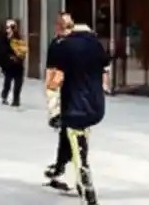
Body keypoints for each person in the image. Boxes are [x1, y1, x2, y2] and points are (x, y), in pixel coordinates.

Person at [46, 13, 109, 204]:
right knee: (77, 139)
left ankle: (86, 185)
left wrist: (53, 110)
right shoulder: (95, 44)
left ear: (62, 27)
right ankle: (65, 170)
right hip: (96, 107)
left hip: (74, 107)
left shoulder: (62, 47)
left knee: (77, 143)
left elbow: (54, 82)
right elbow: (105, 72)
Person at [43, 12, 74, 185]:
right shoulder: (78, 43)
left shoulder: (59, 45)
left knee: (68, 136)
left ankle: (64, 167)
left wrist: (53, 109)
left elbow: (52, 80)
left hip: (69, 97)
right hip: (79, 99)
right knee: (69, 137)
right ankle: (64, 166)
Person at [0, 18, 27, 107]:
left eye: (12, 27)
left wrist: (19, 56)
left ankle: (16, 99)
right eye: (8, 27)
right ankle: (5, 95)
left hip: (18, 64)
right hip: (8, 64)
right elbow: (1, 50)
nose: (10, 29)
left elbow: (22, 49)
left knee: (18, 82)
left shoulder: (18, 38)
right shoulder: (2, 38)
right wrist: (8, 58)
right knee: (8, 81)